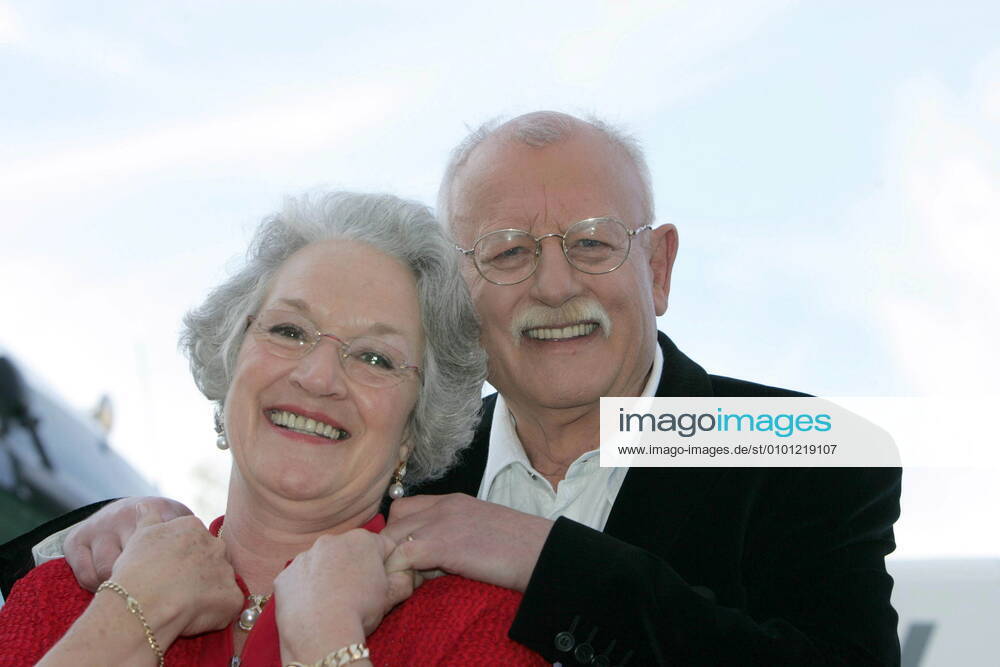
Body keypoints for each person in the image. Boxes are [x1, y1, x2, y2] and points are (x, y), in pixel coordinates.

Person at [1, 112, 902, 666]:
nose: (555, 284)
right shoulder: (396, 448)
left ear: (657, 267)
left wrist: (545, 558)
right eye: (507, 252)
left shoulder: (785, 439)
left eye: (592, 242)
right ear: (457, 301)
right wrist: (96, 529)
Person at [0, 191, 545, 666]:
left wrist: (326, 639)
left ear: (413, 426)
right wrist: (133, 614)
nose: (317, 377)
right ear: (231, 356)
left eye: (375, 358)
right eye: (289, 331)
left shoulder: (477, 627)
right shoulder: (66, 597)